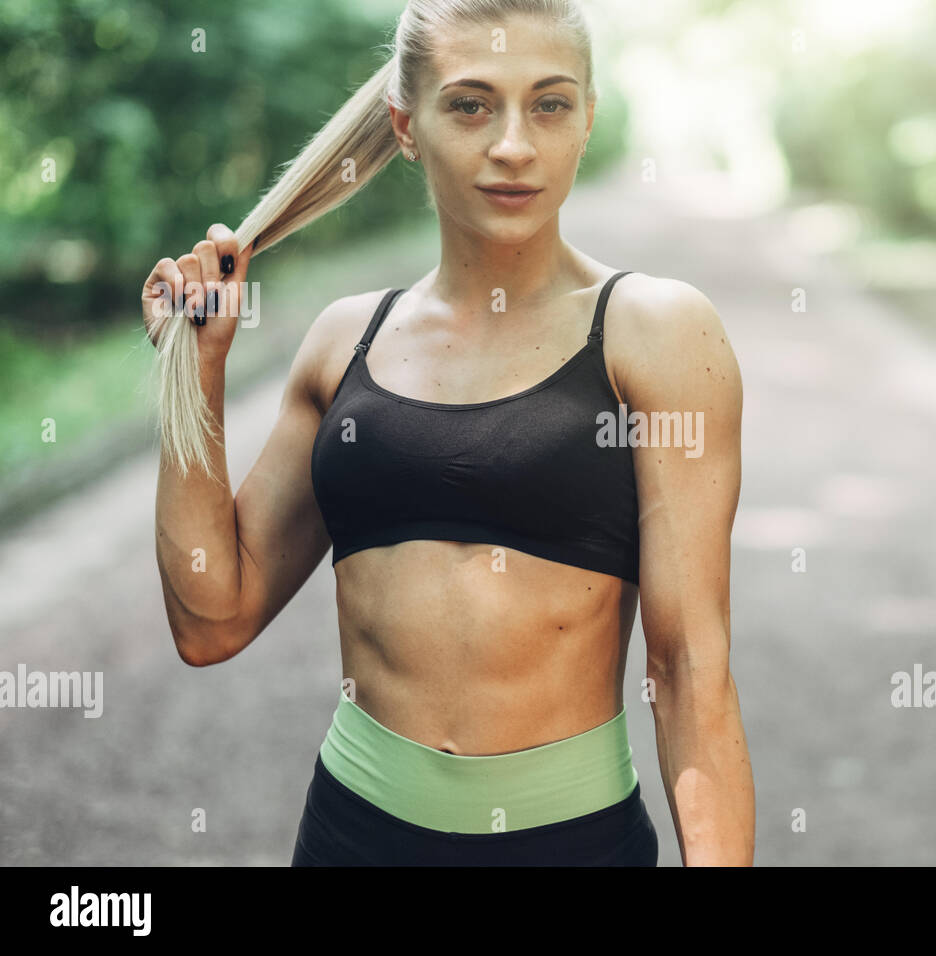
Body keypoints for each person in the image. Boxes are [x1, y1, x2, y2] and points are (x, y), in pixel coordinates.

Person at [140, 0, 752, 866]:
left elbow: (690, 669)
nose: (513, 145)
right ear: (406, 127)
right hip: (352, 836)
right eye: (470, 104)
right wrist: (196, 372)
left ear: (586, 121)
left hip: (571, 845)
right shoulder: (342, 341)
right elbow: (213, 621)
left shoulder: (657, 331)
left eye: (550, 104)